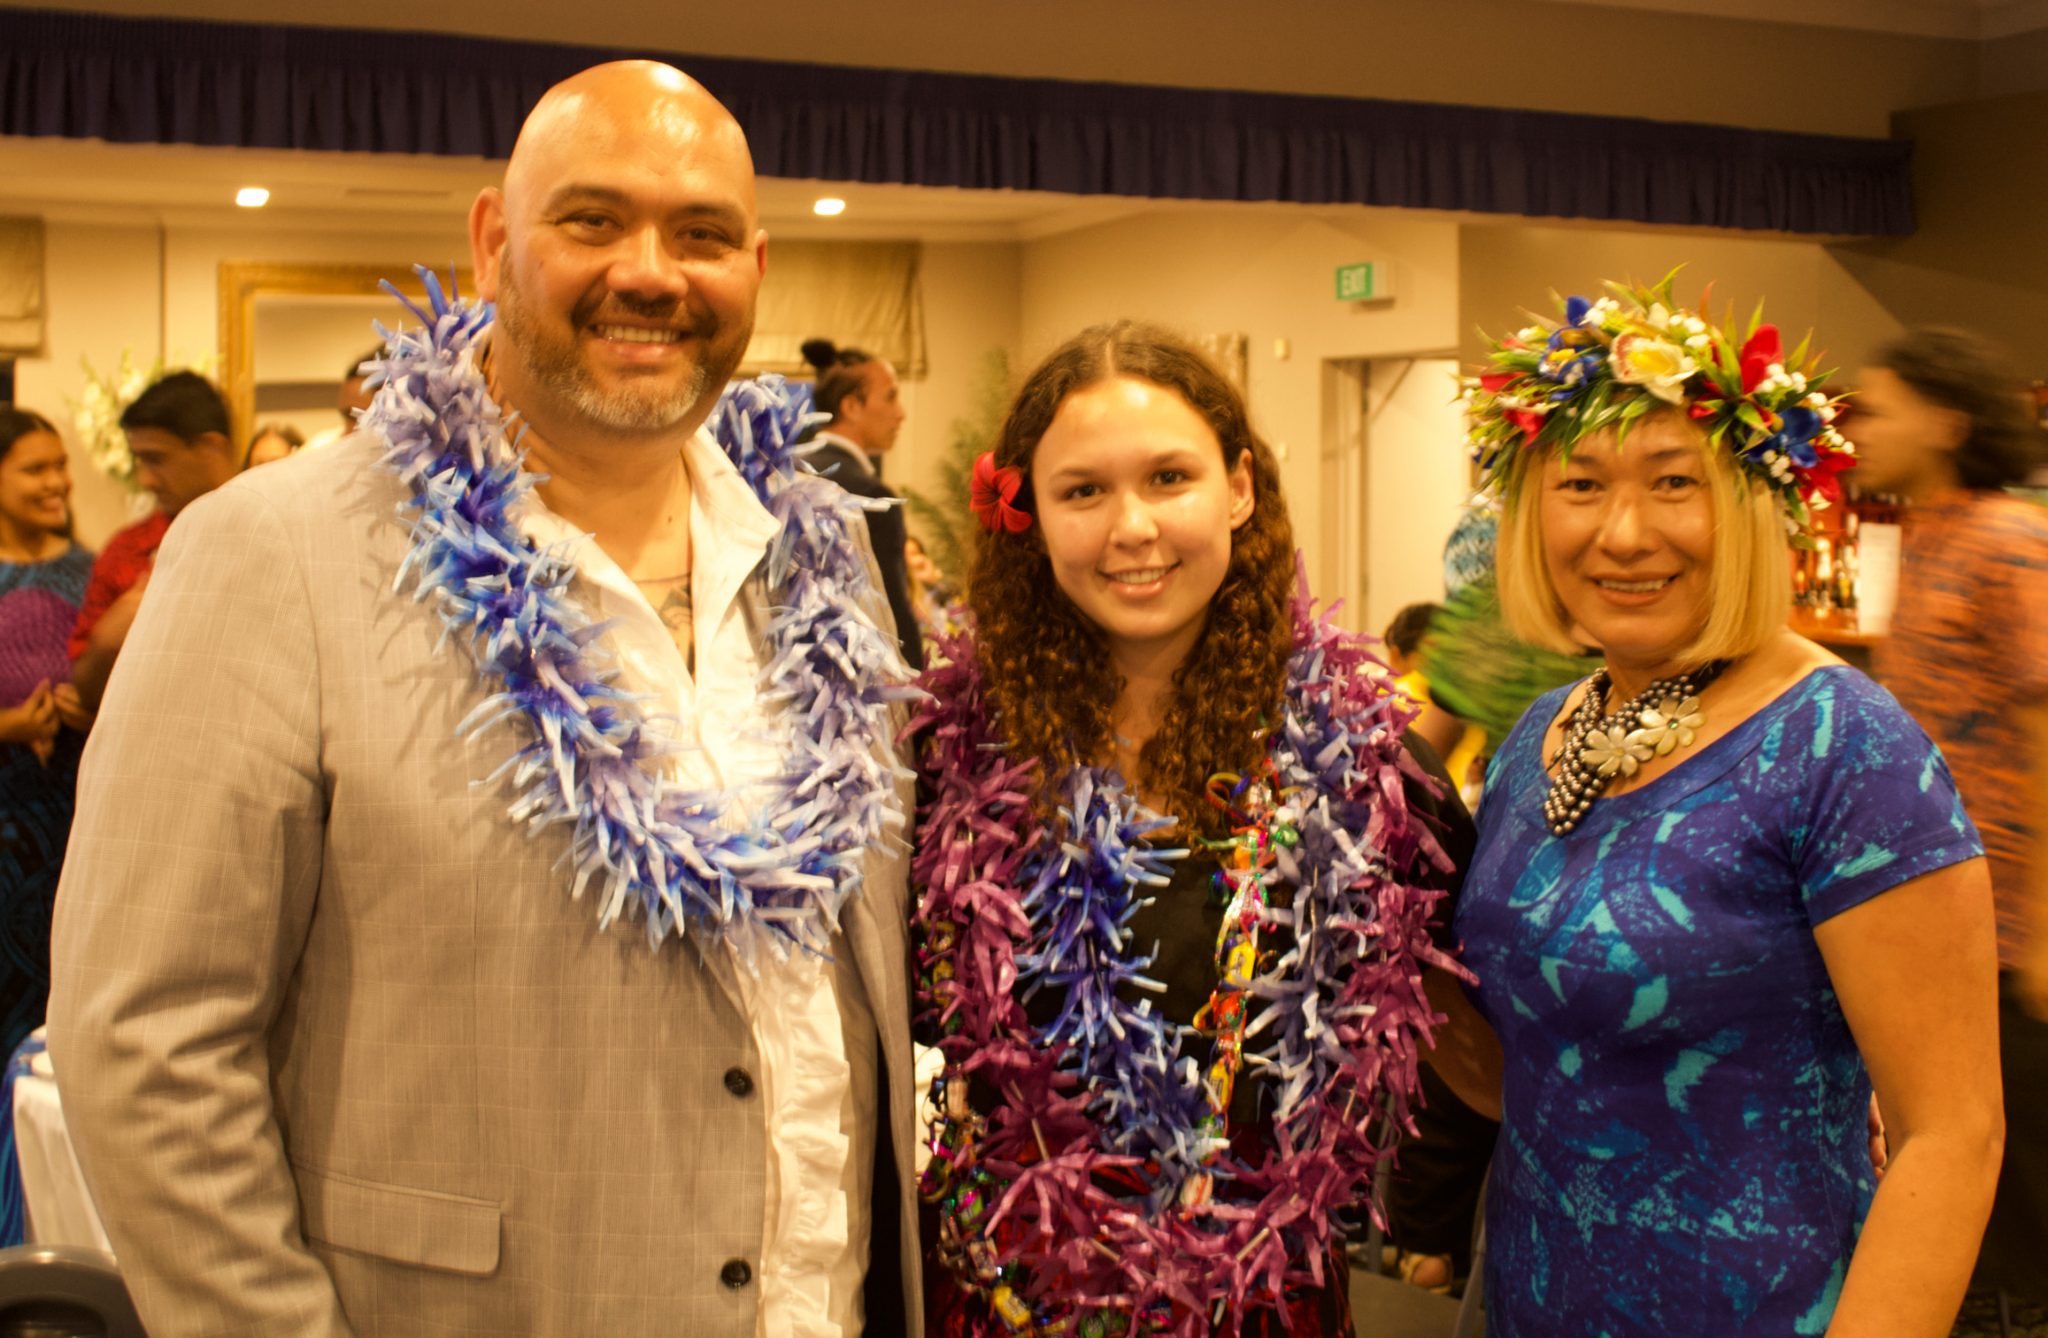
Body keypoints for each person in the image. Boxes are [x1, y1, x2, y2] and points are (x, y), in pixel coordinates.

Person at [49, 61, 922, 1336]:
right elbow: (144, 1040)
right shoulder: (273, 550)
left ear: (755, 266)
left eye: (700, 235)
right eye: (591, 220)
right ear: (488, 241)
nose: (649, 271)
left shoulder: (823, 554)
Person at [1440, 280, 2004, 1336]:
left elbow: (1952, 1136)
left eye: (1671, 482)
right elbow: (1534, 1076)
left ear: (1748, 504)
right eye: (1578, 485)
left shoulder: (1843, 747)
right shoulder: (1535, 739)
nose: (1621, 532)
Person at [911, 321, 1470, 1334]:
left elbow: (1470, 1032)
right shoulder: (941, 759)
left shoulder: (1366, 772)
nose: (1131, 528)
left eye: (1169, 477)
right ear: (1025, 513)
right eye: (1082, 490)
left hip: (1258, 1296)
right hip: (1007, 1293)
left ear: (1238, 488)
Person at [1847, 327, 2048, 1304]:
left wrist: (2044, 929)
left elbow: (2043, 723)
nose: (1857, 430)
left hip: (2009, 922)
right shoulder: (1924, 531)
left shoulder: (2009, 540)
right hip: (1940, 911)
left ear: (1946, 421)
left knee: (2009, 1195)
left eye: (1877, 409)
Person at [0, 408, 92, 1061]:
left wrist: (95, 711)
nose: (57, 481)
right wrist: (10, 726)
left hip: (78, 822)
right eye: (36, 469)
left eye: (61, 465)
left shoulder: (95, 572)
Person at [66, 369, 238, 711]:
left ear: (211, 448)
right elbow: (83, 694)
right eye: (139, 460)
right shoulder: (127, 551)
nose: (144, 479)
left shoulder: (276, 531)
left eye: (156, 459)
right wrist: (106, 641)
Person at [801, 337, 923, 668]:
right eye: (891, 396)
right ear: (852, 406)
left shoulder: (788, 471)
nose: (901, 414)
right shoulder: (870, 495)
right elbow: (891, 615)